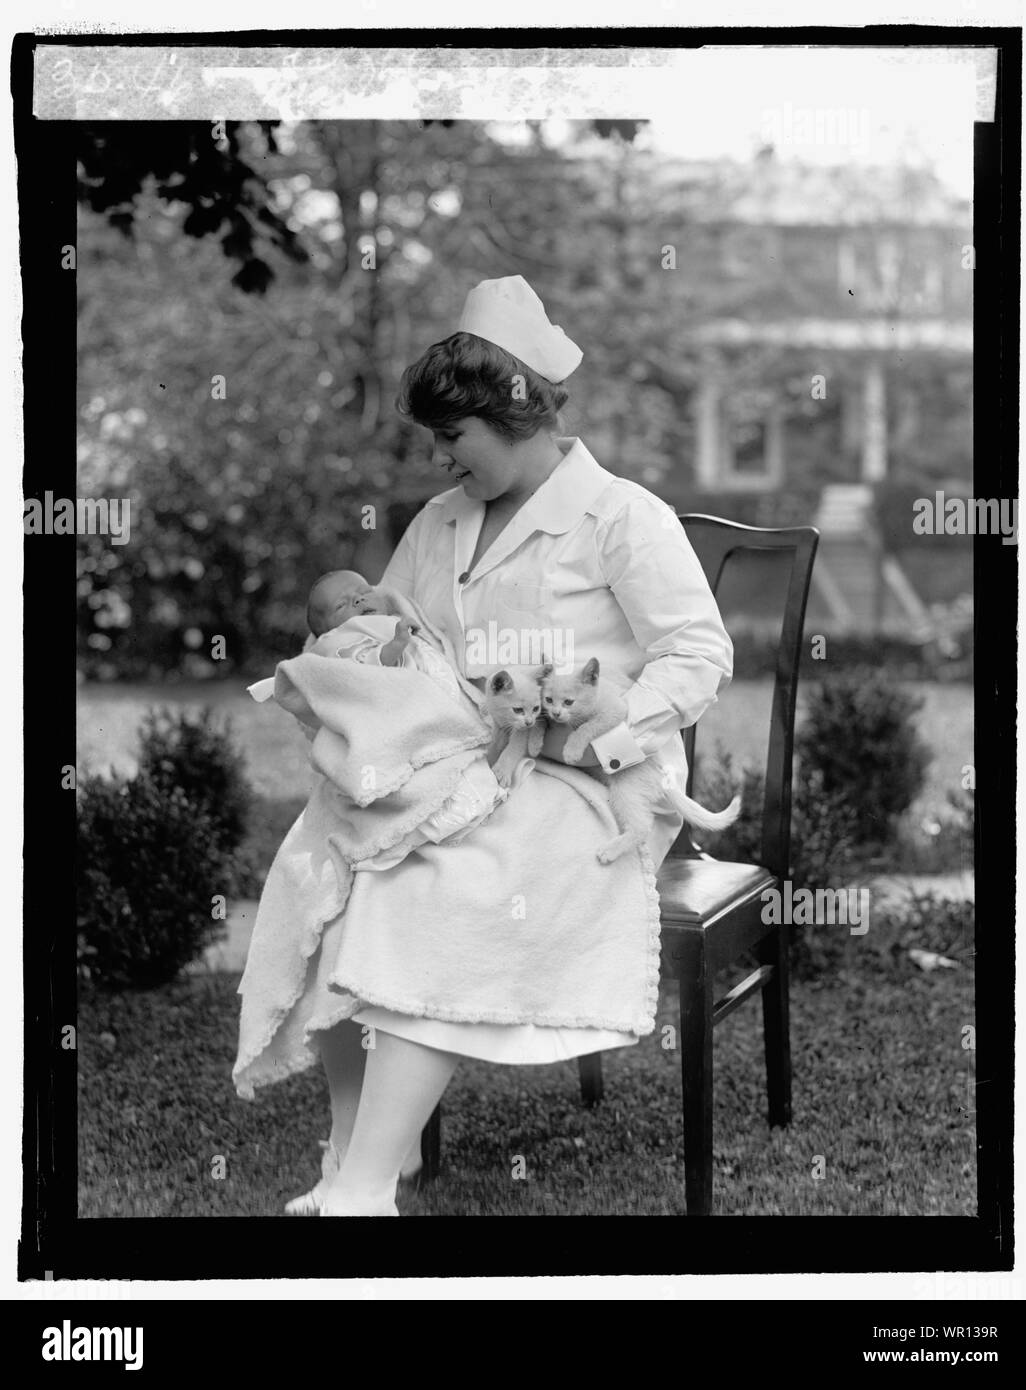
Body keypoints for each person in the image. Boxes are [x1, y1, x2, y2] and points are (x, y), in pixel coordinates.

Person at [232, 275, 733, 1216]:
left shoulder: (622, 517)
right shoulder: (439, 522)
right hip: (462, 764)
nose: (439, 457)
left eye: (452, 437)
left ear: (515, 415)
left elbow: (700, 653)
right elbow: (406, 645)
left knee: (426, 883)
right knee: (322, 861)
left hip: (590, 782)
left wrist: (607, 739)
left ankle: (367, 1187)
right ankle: (358, 1155)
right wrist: (365, 645)